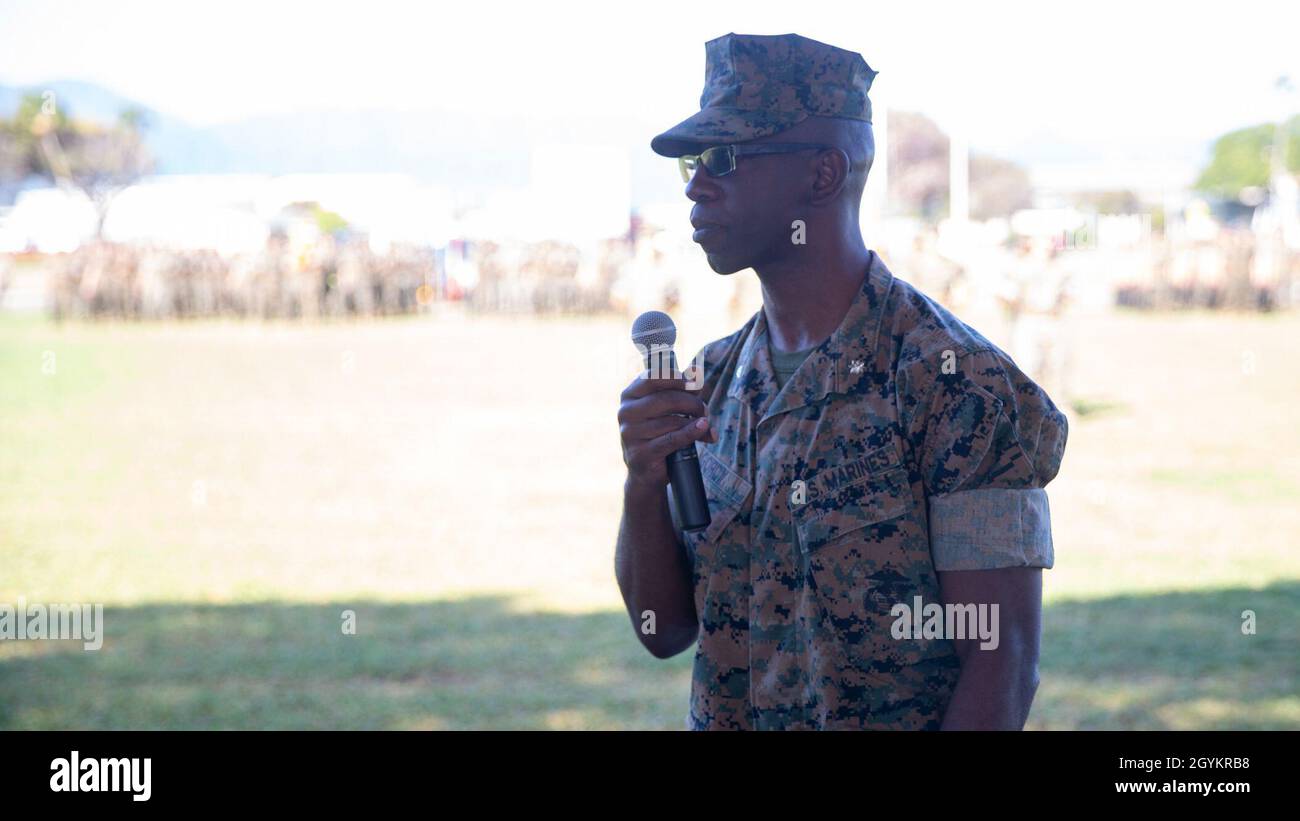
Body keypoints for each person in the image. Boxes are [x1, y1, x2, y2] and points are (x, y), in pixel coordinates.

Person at [614, 33, 1068, 730]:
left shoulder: (956, 385)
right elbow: (663, 630)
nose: (698, 185)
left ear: (822, 174)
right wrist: (644, 480)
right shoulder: (710, 384)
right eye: (696, 164)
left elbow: (1001, 668)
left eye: (726, 158)